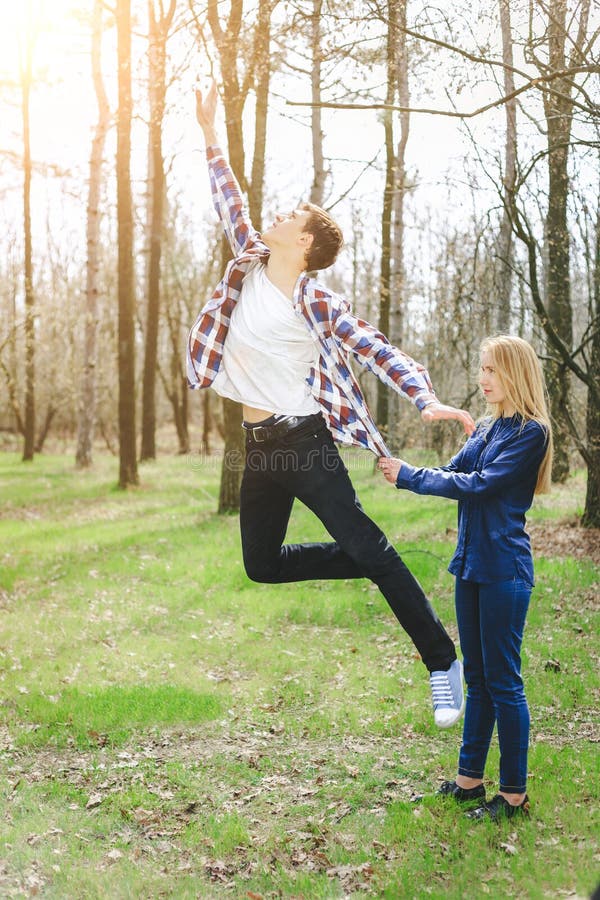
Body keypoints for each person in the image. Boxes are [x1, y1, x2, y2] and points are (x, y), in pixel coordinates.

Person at [188, 80, 476, 728]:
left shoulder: (314, 300)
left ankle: (441, 661)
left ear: (306, 244)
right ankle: (375, 561)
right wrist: (210, 134)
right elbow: (227, 198)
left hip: (303, 444)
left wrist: (423, 398)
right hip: (258, 449)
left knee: (367, 546)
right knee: (262, 566)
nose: (277, 215)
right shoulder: (252, 262)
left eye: (291, 214)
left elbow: (374, 346)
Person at [379, 335, 553, 820]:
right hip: (471, 566)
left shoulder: (530, 432)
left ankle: (514, 795)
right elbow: (453, 471)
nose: (483, 379)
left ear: (515, 373)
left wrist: (412, 476)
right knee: (476, 679)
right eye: (481, 369)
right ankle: (468, 782)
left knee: (504, 682)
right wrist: (405, 468)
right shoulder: (486, 429)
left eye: (492, 370)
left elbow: (480, 485)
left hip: (504, 570)